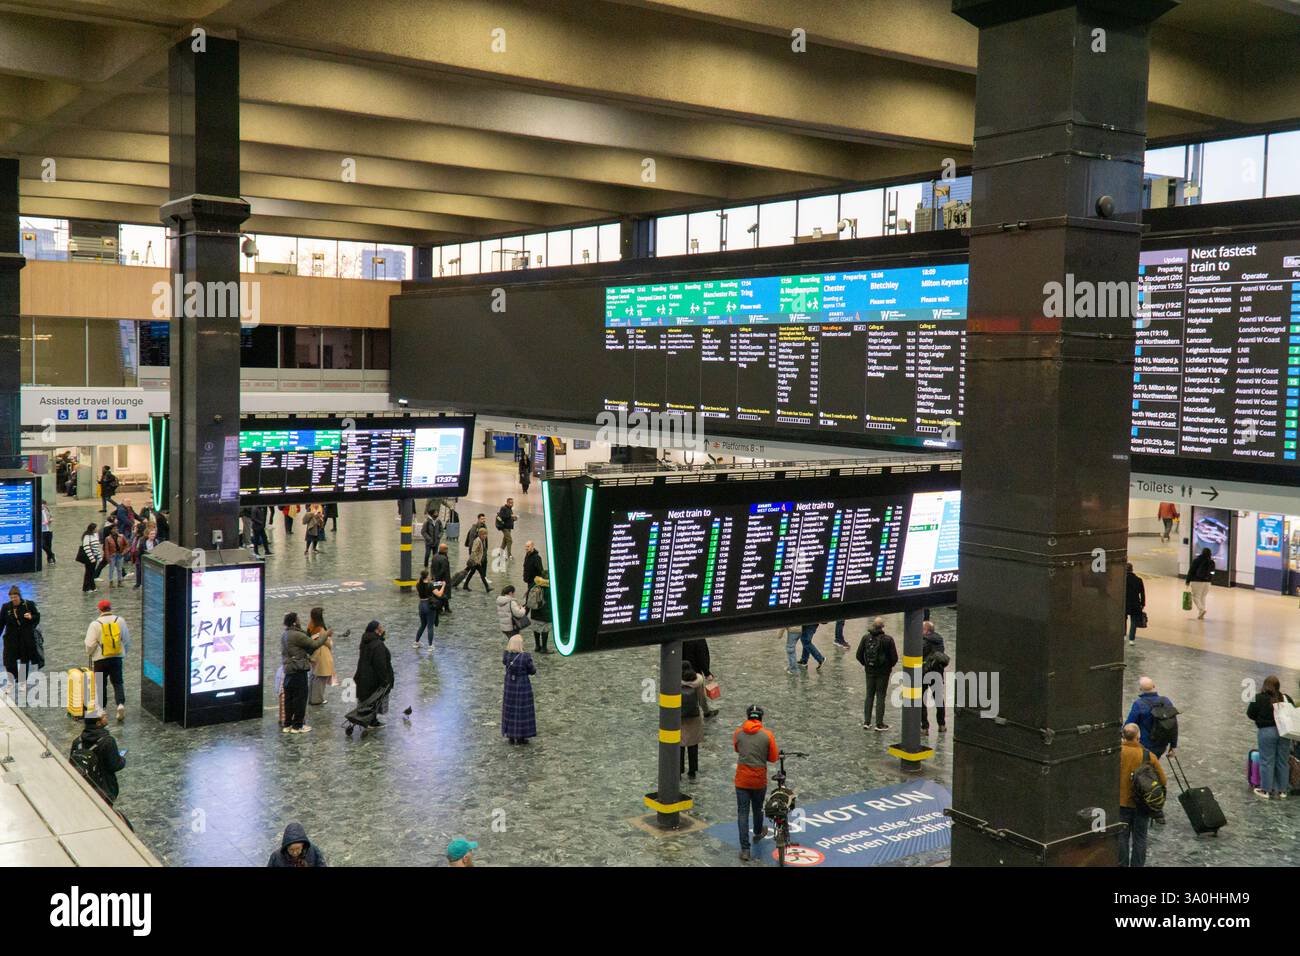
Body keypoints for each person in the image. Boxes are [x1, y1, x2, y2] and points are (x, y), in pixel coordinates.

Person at [733, 703, 778, 862]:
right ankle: (758, 831)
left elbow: (737, 749)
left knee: (742, 812)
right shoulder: (767, 735)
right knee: (757, 808)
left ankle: (745, 849)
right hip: (758, 779)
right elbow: (773, 757)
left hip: (741, 779)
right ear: (761, 718)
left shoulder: (738, 733)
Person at [1118, 722, 1166, 867]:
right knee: (1140, 838)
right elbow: (1163, 780)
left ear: (1123, 736)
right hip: (1141, 805)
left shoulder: (1117, 753)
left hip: (1121, 804)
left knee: (1121, 837)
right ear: (1139, 737)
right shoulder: (1148, 756)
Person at [281, 612, 331, 734]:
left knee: (289, 698)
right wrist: (325, 635)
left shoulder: (285, 634)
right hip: (299, 669)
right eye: (298, 618)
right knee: (300, 698)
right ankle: (298, 725)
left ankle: (287, 724)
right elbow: (315, 644)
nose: (300, 620)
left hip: (288, 670)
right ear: (294, 622)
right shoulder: (297, 635)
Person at [1247, 675, 1295, 799]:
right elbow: (1293, 713)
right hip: (1284, 733)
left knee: (1267, 761)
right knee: (1283, 761)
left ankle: (1266, 790)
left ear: (1265, 685)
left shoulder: (1258, 698)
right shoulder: (1286, 698)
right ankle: (1282, 790)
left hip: (1266, 732)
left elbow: (1250, 714)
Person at [70, 708, 126, 806]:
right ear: (98, 724)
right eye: (103, 717)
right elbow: (115, 765)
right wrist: (122, 760)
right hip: (104, 789)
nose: (106, 716)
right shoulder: (108, 741)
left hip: (84, 786)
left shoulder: (77, 742)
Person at [85, 599, 129, 722]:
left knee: (100, 683)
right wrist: (122, 652)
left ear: (100, 610)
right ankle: (120, 704)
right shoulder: (120, 621)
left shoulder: (95, 624)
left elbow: (89, 644)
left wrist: (90, 653)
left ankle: (102, 709)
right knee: (118, 682)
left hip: (100, 659)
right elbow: (126, 639)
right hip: (116, 657)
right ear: (110, 608)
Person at [856, 617, 898, 732]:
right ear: (882, 627)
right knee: (880, 696)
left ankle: (867, 722)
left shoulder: (866, 638)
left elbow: (858, 655)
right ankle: (879, 723)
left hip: (869, 671)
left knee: (869, 695)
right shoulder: (888, 640)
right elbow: (894, 658)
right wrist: (888, 667)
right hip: (883, 673)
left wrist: (866, 665)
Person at [1124, 677, 1178, 757]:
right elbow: (1173, 724)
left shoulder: (1138, 704)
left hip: (1144, 746)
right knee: (1153, 765)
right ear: (1154, 686)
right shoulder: (1166, 701)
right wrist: (1173, 746)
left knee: (1144, 767)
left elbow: (1129, 726)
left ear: (1140, 689)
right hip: (1161, 745)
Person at [353, 620, 394, 728]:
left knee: (367, 699)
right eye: (381, 627)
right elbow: (380, 665)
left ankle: (369, 720)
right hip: (373, 678)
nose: (383, 628)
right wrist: (385, 681)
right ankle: (371, 721)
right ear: (377, 630)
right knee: (373, 700)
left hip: (363, 675)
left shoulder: (366, 641)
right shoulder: (378, 645)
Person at [501, 633, 538, 744]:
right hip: (522, 686)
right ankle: (522, 736)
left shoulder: (506, 655)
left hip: (509, 686)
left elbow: (504, 663)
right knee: (522, 710)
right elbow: (532, 670)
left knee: (510, 709)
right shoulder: (525, 657)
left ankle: (511, 736)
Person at [0, 586, 40, 684]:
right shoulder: (6, 607)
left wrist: (31, 617)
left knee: (24, 660)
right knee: (8, 661)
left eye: (15, 597)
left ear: (19, 596)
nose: (13, 599)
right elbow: (1, 623)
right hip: (11, 638)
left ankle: (22, 680)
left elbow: (37, 617)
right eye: (11, 597)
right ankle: (14, 676)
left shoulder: (28, 605)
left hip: (25, 638)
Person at [307, 607, 342, 706]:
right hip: (322, 655)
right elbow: (327, 642)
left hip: (315, 654)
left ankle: (312, 698)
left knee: (314, 676)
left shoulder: (311, 626)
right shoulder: (320, 629)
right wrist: (329, 636)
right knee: (320, 677)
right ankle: (317, 699)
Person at [920, 620, 948, 734]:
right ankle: (942, 724)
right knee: (939, 700)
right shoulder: (939, 640)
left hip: (924, 673)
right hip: (937, 673)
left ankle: (925, 727)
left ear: (926, 630)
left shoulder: (923, 641)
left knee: (921, 700)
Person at [680, 661, 705, 779]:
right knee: (693, 744)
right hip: (694, 717)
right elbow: (701, 699)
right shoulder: (698, 682)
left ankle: (678, 770)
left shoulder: (675, 681)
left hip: (679, 718)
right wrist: (706, 711)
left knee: (679, 745)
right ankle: (692, 770)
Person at [683, 638, 717, 718]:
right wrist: (707, 673)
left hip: (680, 670)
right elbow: (702, 657)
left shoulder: (680, 635)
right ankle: (706, 712)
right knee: (700, 694)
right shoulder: (698, 638)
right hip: (694, 671)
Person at [413, 569, 444, 648]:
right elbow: (439, 594)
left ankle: (416, 643)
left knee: (423, 625)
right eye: (429, 575)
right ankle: (430, 646)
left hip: (421, 605)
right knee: (430, 626)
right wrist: (443, 585)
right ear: (427, 576)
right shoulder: (430, 585)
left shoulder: (418, 584)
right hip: (429, 605)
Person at [1186, 546, 1214, 620]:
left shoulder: (1197, 560)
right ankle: (1201, 613)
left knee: (1195, 597)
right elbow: (1213, 572)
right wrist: (1209, 579)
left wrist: (1187, 581)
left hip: (1196, 581)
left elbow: (1191, 571)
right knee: (1202, 597)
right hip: (1207, 583)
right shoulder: (1211, 562)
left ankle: (1201, 609)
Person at [462, 527, 492, 592]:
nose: (485, 536)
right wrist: (477, 561)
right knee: (482, 574)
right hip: (475, 561)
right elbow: (473, 551)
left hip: (477, 561)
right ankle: (487, 587)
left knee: (472, 573)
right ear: (480, 534)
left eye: (486, 534)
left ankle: (465, 585)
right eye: (484, 534)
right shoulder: (477, 541)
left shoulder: (482, 540)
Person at [528, 575, 551, 653]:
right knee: (545, 629)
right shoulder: (549, 588)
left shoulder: (534, 585)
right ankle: (544, 648)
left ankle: (537, 646)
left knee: (536, 629)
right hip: (545, 612)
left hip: (534, 611)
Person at [1125, 563, 1146, 645]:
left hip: (1125, 603)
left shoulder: (1123, 580)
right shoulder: (1138, 580)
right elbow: (1142, 593)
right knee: (1133, 621)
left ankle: (1123, 635)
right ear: (1132, 569)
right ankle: (1131, 639)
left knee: (1123, 619)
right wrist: (1143, 603)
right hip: (1135, 603)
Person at [103, 522, 129, 588]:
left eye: (117, 529)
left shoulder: (122, 536)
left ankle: (119, 581)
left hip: (120, 555)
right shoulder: (107, 538)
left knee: (119, 569)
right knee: (111, 569)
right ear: (111, 530)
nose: (116, 530)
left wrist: (123, 552)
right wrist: (107, 557)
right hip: (112, 555)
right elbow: (106, 549)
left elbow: (127, 545)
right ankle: (111, 582)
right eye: (114, 529)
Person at [79, 522, 103, 592]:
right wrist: (91, 557)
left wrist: (99, 557)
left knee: (92, 572)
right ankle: (86, 588)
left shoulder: (96, 535)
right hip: (89, 557)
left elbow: (97, 547)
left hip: (95, 556)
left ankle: (93, 587)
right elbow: (86, 547)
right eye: (96, 528)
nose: (97, 529)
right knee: (88, 573)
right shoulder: (87, 536)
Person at [431, 542, 453, 615]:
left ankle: (446, 607)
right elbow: (444, 570)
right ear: (445, 550)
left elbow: (432, 567)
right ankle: (442, 608)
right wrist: (440, 578)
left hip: (436, 578)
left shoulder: (435, 556)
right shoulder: (444, 559)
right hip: (443, 579)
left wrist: (434, 577)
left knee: (441, 594)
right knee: (444, 594)